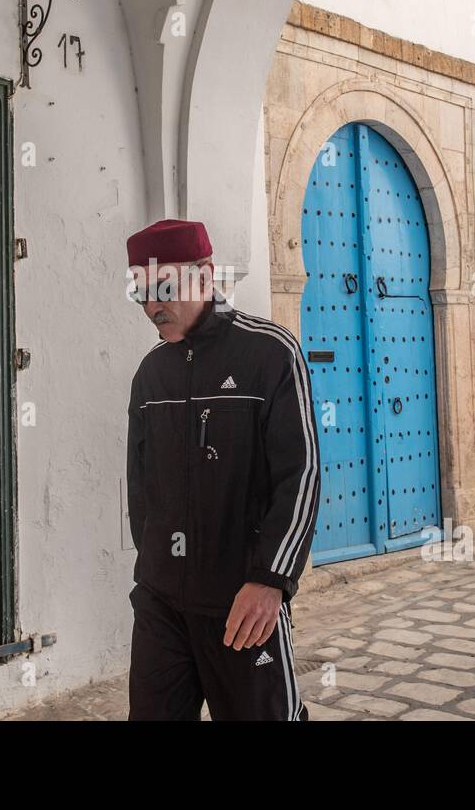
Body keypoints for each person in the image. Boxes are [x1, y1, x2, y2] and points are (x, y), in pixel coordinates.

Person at [124, 218, 321, 721]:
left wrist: (271, 579)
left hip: (243, 603)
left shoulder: (271, 352)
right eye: (141, 292)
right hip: (161, 607)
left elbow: (300, 476)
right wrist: (151, 575)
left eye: (163, 288)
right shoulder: (151, 374)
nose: (152, 307)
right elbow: (142, 490)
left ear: (206, 276)